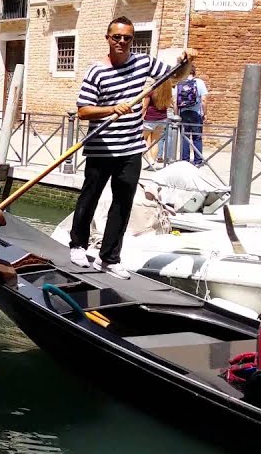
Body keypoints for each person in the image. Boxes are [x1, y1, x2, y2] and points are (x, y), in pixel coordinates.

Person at [68, 16, 195, 280]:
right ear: (108, 38)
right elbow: (83, 111)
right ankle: (78, 245)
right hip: (101, 148)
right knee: (89, 198)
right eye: (117, 37)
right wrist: (111, 109)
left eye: (127, 38)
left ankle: (110, 258)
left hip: (130, 149)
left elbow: (175, 77)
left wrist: (186, 63)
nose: (122, 42)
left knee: (122, 204)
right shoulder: (96, 71)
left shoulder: (143, 62)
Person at [176, 66, 208, 166]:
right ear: (194, 72)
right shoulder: (199, 82)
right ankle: (198, 161)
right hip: (196, 113)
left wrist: (177, 115)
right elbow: (204, 100)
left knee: (184, 137)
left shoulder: (179, 82)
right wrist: (205, 113)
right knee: (197, 137)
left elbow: (174, 100)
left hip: (183, 113)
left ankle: (185, 160)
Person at [142, 76, 173, 170]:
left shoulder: (151, 90)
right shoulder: (168, 92)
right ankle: (152, 163)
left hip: (149, 119)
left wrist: (140, 115)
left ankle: (150, 160)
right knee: (154, 142)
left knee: (141, 139)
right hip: (162, 119)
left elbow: (144, 106)